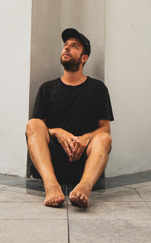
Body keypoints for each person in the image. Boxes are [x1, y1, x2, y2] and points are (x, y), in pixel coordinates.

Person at [26, 28, 113, 208]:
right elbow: (37, 131)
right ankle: (51, 185)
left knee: (104, 138)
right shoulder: (47, 89)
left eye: (74, 46)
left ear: (84, 58)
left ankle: (84, 187)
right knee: (33, 124)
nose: (66, 48)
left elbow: (105, 128)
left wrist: (86, 138)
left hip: (85, 161)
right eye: (65, 45)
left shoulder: (98, 89)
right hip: (51, 160)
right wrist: (58, 132)